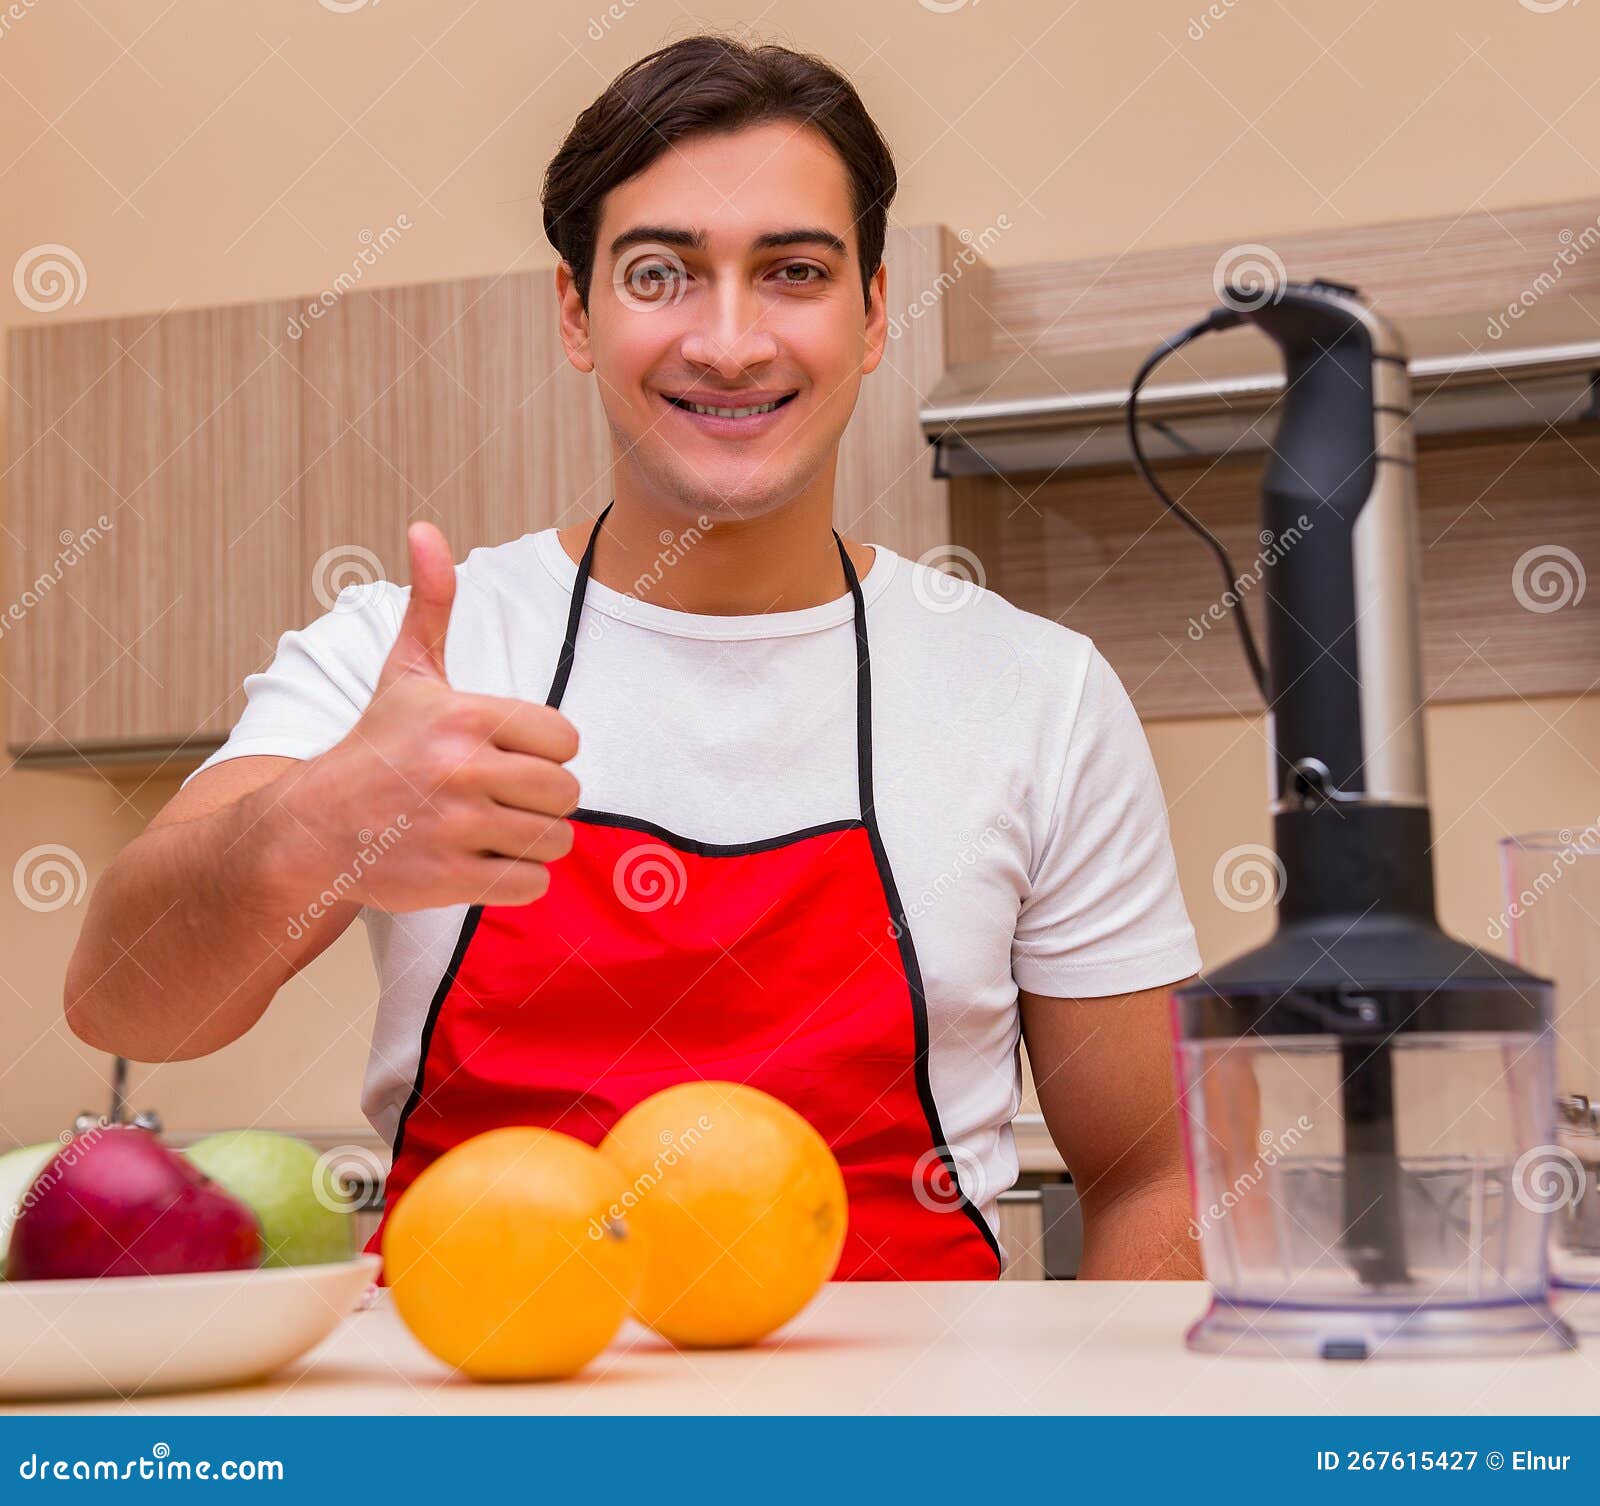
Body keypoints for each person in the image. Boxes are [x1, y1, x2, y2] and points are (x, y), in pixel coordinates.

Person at [65, 33, 1202, 1281]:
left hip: (909, 1401)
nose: (730, 342)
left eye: (794, 272)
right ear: (577, 313)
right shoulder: (405, 658)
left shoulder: (1037, 693)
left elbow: (1158, 1175)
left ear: (874, 313)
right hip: (472, 1394)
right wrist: (321, 824)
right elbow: (126, 1005)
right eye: (661, 273)